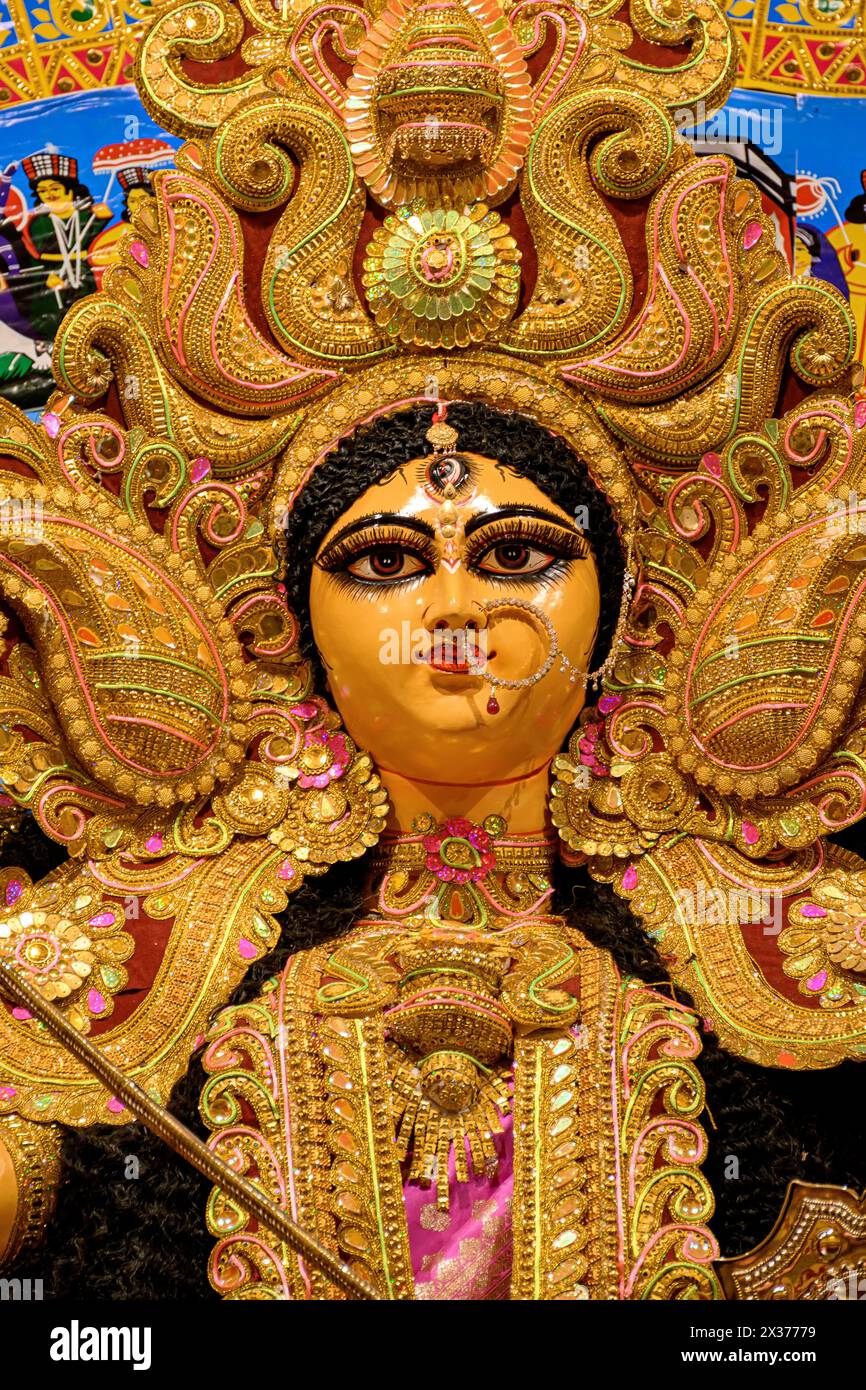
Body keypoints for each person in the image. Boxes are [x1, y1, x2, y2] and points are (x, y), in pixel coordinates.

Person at [0, 0, 864, 1301]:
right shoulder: (101, 967)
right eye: (384, 561)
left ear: (622, 605)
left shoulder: (794, 948)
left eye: (517, 552)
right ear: (285, 626)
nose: (456, 603)